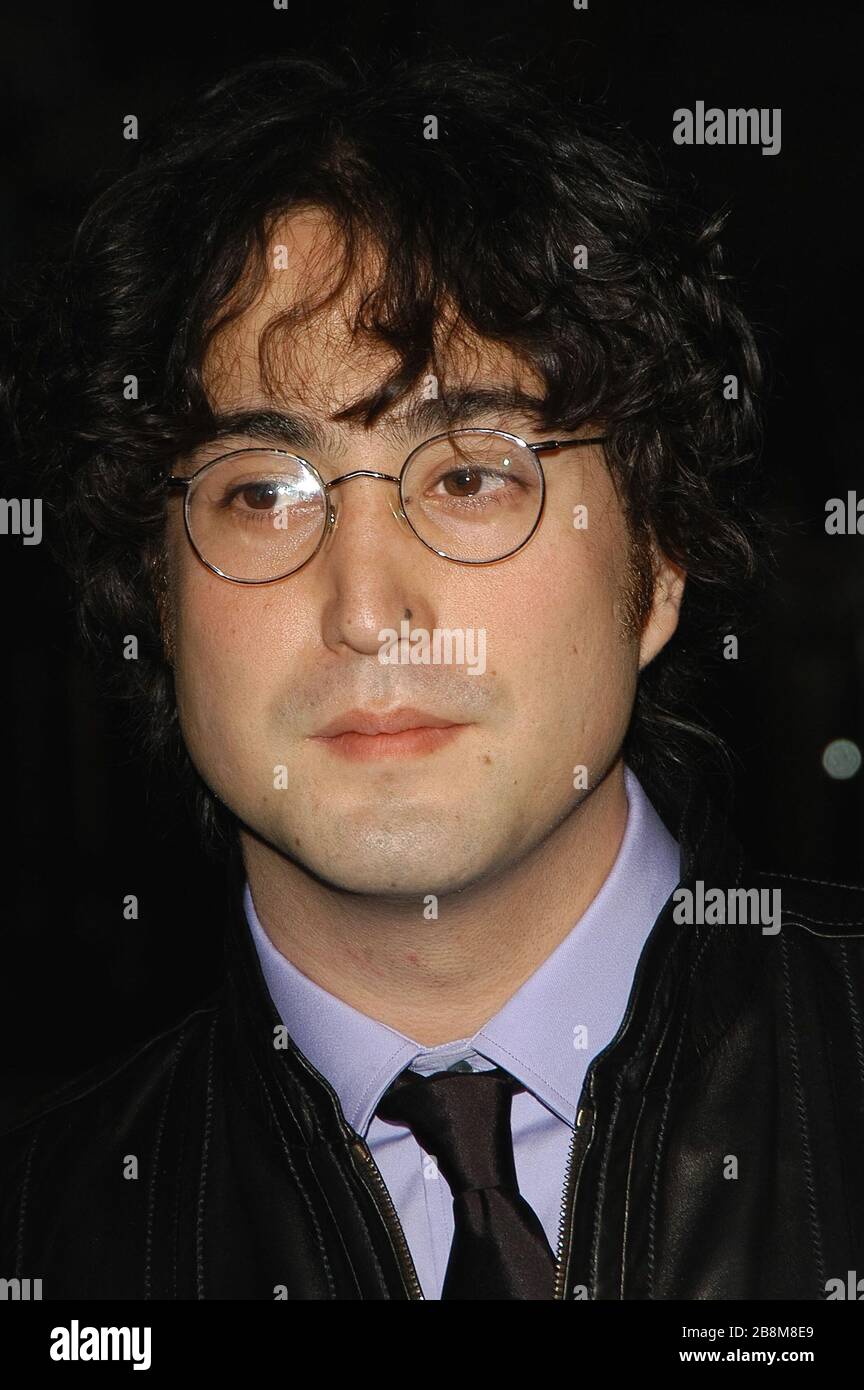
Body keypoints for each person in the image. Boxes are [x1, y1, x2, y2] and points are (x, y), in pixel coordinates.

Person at [1, 52, 863, 1302]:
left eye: (468, 475)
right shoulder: (44, 1240)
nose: (366, 611)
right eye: (262, 494)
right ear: (156, 599)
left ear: (660, 560)